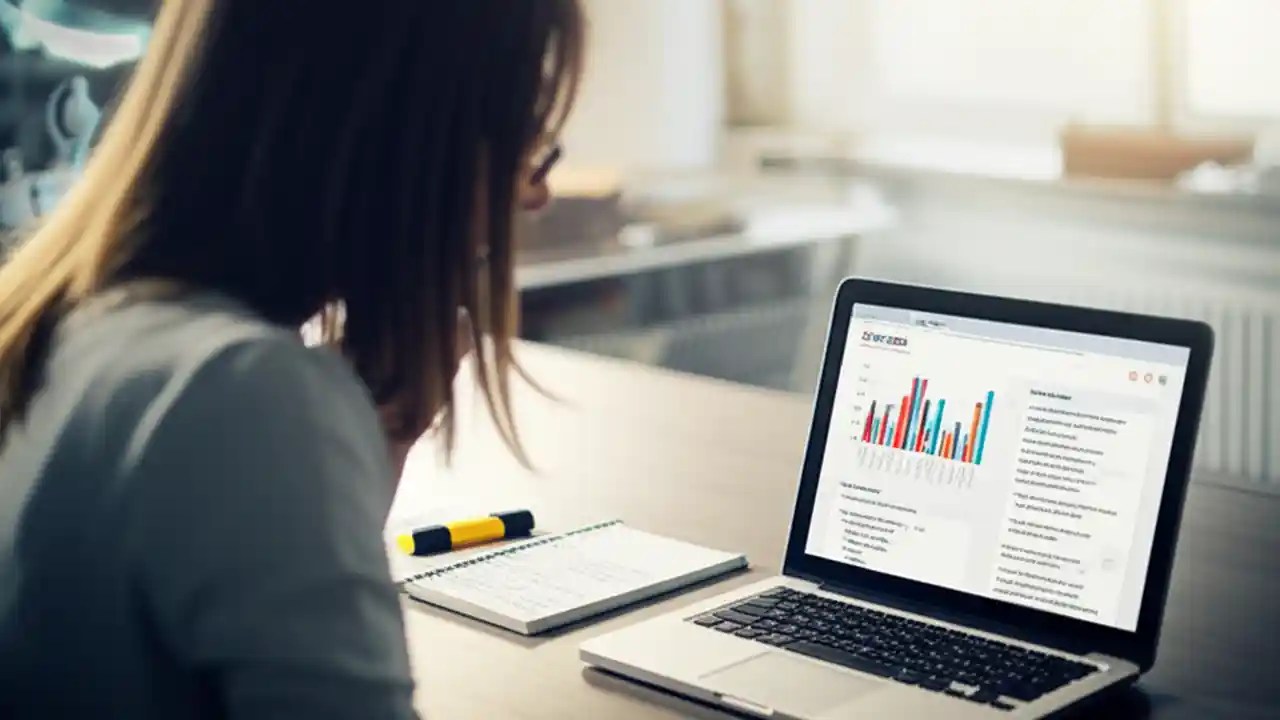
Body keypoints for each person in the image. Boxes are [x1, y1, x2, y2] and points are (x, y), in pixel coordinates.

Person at [0, 1, 582, 717]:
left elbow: (260, 618)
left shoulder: (63, 321)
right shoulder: (242, 394)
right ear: (404, 135)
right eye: (524, 139)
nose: (536, 194)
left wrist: (387, 435)